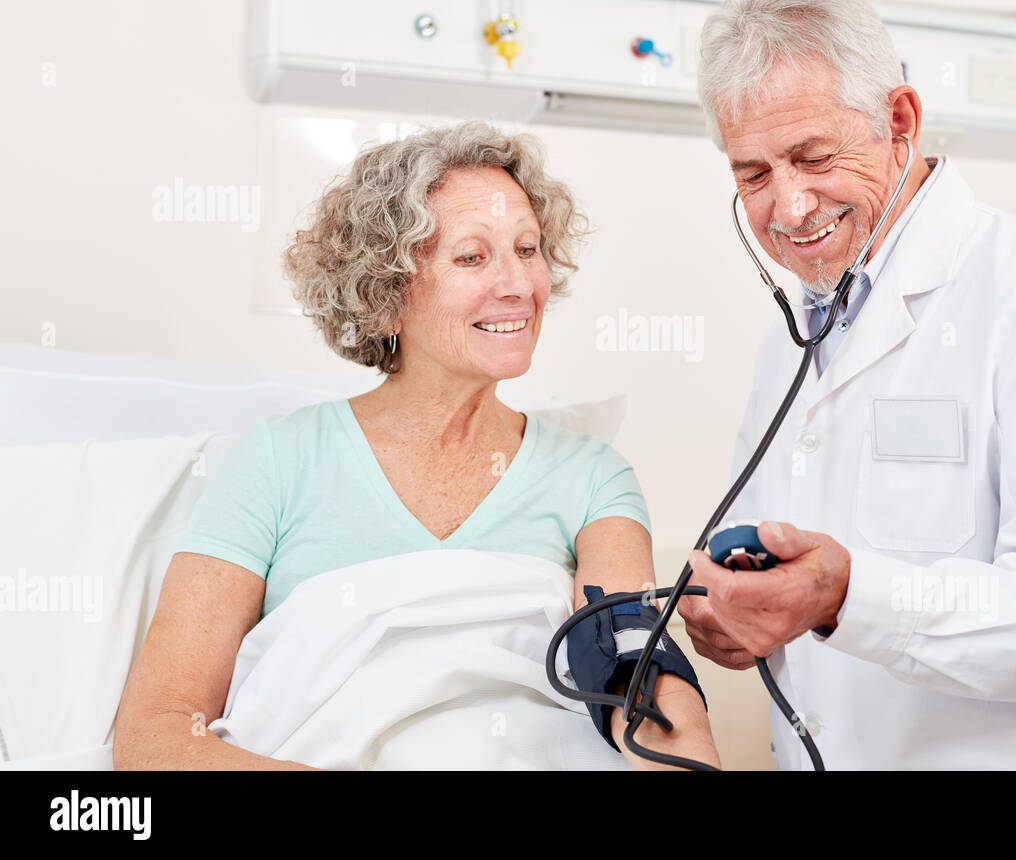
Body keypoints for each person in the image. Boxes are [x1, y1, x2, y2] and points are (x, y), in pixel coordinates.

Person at [678, 0, 1016, 769]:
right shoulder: (801, 323)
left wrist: (851, 598)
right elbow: (788, 554)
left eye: (813, 156)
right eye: (754, 174)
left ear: (898, 120)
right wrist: (737, 614)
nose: (791, 207)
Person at [113, 120, 718, 770]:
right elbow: (158, 735)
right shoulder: (278, 461)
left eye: (528, 248)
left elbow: (636, 669)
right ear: (386, 294)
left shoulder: (593, 475)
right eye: (473, 256)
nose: (519, 284)